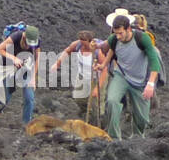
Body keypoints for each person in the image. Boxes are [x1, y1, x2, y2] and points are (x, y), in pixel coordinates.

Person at [96, 9, 161, 140]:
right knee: (112, 101)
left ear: (128, 29)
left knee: (142, 119)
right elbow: (108, 47)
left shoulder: (142, 38)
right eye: (116, 33)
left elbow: (155, 62)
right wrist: (96, 49)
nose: (118, 36)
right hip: (121, 75)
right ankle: (114, 139)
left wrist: (151, 83)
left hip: (140, 80)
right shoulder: (114, 38)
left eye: (120, 33)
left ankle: (137, 139)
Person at [0, 22, 40, 124]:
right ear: (25, 37)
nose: (30, 45)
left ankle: (26, 124)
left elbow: (36, 59)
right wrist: (14, 59)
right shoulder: (16, 37)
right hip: (7, 64)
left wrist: (33, 79)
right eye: (28, 43)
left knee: (29, 98)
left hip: (24, 66)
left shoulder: (37, 42)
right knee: (5, 96)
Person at [50, 30, 105, 120]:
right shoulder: (77, 45)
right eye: (81, 43)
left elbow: (105, 69)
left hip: (96, 78)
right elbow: (67, 51)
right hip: (82, 76)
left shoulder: (98, 52)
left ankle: (100, 121)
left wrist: (97, 88)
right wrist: (57, 64)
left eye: (85, 44)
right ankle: (85, 113)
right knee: (79, 98)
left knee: (97, 103)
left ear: (90, 41)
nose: (83, 45)